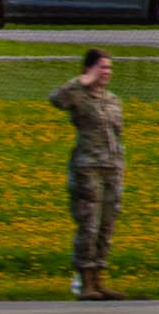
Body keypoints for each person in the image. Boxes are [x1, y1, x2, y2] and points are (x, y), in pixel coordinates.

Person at [55, 46, 129, 300]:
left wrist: (121, 166)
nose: (107, 72)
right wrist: (82, 80)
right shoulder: (78, 95)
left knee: (106, 225)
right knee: (89, 224)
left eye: (109, 68)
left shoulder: (112, 100)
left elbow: (117, 136)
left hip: (112, 169)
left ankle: (98, 279)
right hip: (88, 169)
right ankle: (85, 281)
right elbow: (56, 99)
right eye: (102, 67)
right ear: (89, 69)